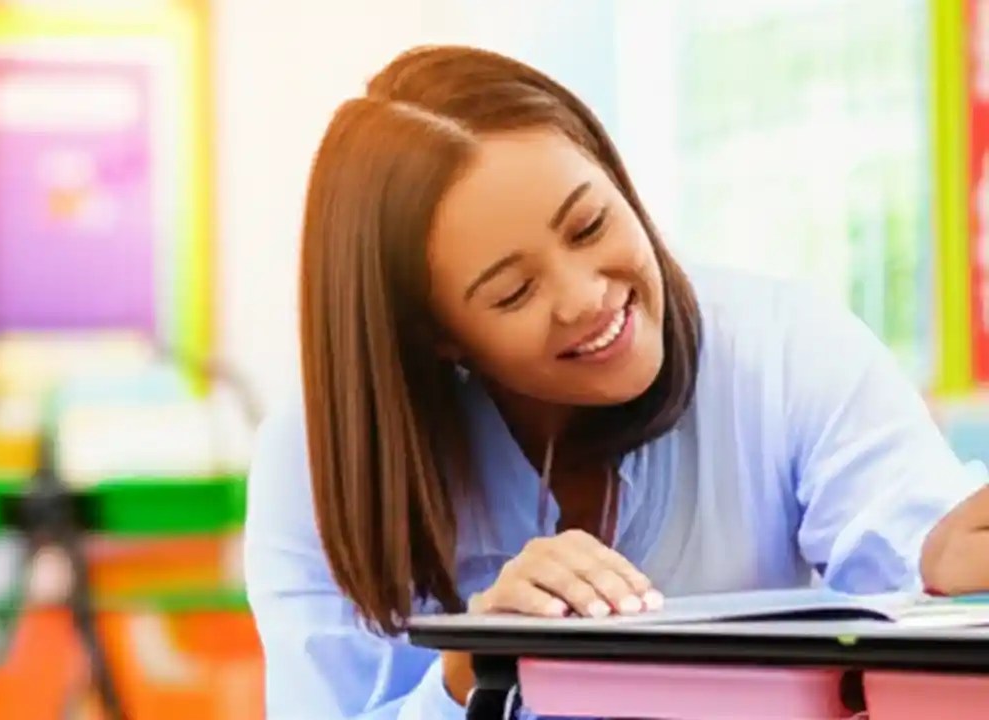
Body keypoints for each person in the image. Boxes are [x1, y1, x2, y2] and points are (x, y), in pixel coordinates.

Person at [242, 45, 989, 720]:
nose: (586, 298)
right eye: (512, 294)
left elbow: (916, 565)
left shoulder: (783, 350)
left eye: (591, 225)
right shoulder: (323, 459)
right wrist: (470, 676)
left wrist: (949, 577)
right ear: (435, 334)